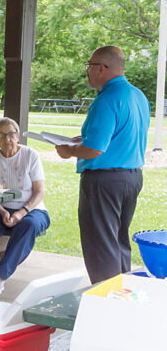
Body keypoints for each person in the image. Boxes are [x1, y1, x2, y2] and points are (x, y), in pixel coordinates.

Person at [56, 46, 149, 284]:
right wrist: (83, 140)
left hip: (104, 181)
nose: (87, 71)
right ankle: (122, 296)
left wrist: (69, 151)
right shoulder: (137, 95)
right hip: (132, 177)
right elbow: (120, 135)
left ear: (101, 68)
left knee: (101, 247)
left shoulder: (106, 99)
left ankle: (105, 302)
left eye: (89, 65)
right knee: (118, 242)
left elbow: (95, 150)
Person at [0, 118, 50, 295]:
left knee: (29, 225)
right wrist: (1, 210)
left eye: (11, 134)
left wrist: (22, 212)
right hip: (1, 206)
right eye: (1, 135)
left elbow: (39, 191)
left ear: (17, 136)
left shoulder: (30, 155)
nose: (7, 139)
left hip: (31, 208)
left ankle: (0, 276)